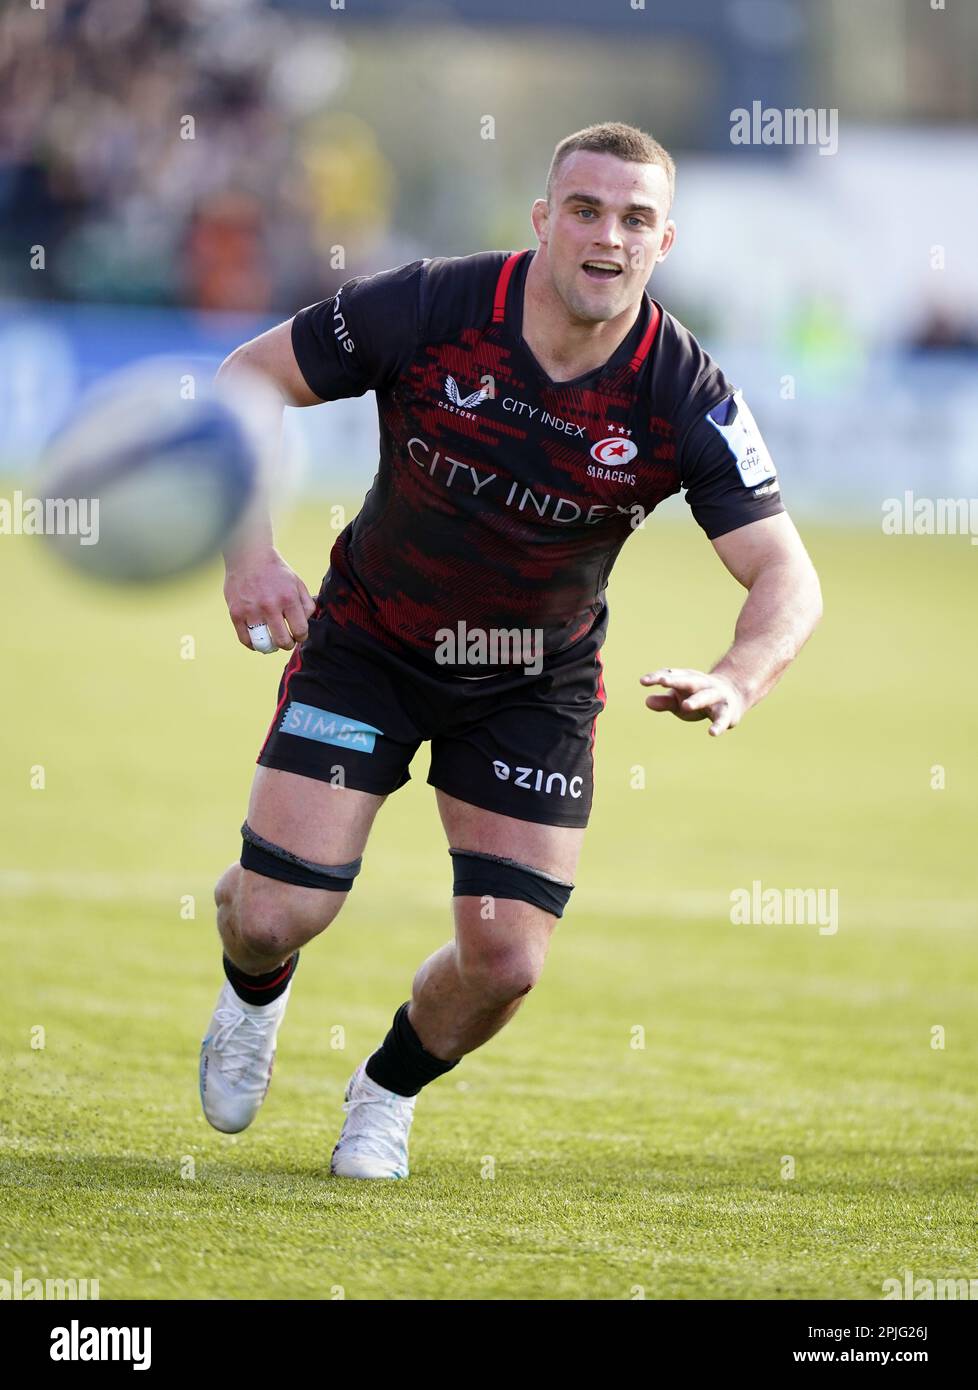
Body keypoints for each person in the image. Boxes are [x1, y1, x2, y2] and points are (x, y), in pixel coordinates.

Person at [198, 122, 823, 1179]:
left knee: (506, 961)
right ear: (544, 221)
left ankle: (384, 1092)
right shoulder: (437, 304)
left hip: (530, 683)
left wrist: (738, 673)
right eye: (584, 209)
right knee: (272, 914)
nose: (606, 236)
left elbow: (787, 576)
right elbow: (242, 383)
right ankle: (252, 996)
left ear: (662, 242)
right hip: (372, 641)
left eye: (634, 219)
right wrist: (248, 557)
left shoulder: (682, 389)